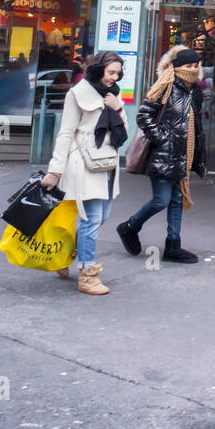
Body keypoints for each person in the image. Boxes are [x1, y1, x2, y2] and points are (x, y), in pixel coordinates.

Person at [41, 51, 127, 294]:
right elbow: (65, 133)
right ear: (99, 69)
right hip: (84, 164)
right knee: (91, 220)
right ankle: (87, 274)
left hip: (108, 164)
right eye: (111, 72)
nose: (115, 77)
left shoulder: (114, 96)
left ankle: (64, 252)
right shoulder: (77, 94)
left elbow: (125, 131)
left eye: (118, 73)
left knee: (102, 217)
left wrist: (118, 108)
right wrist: (55, 171)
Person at [116, 46, 207, 264]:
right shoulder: (165, 86)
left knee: (176, 200)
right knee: (161, 200)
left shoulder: (195, 91)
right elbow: (144, 115)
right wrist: (162, 138)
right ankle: (130, 227)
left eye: (196, 66)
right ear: (176, 67)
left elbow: (195, 123)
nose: (192, 70)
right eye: (188, 66)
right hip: (163, 154)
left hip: (183, 154)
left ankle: (173, 246)